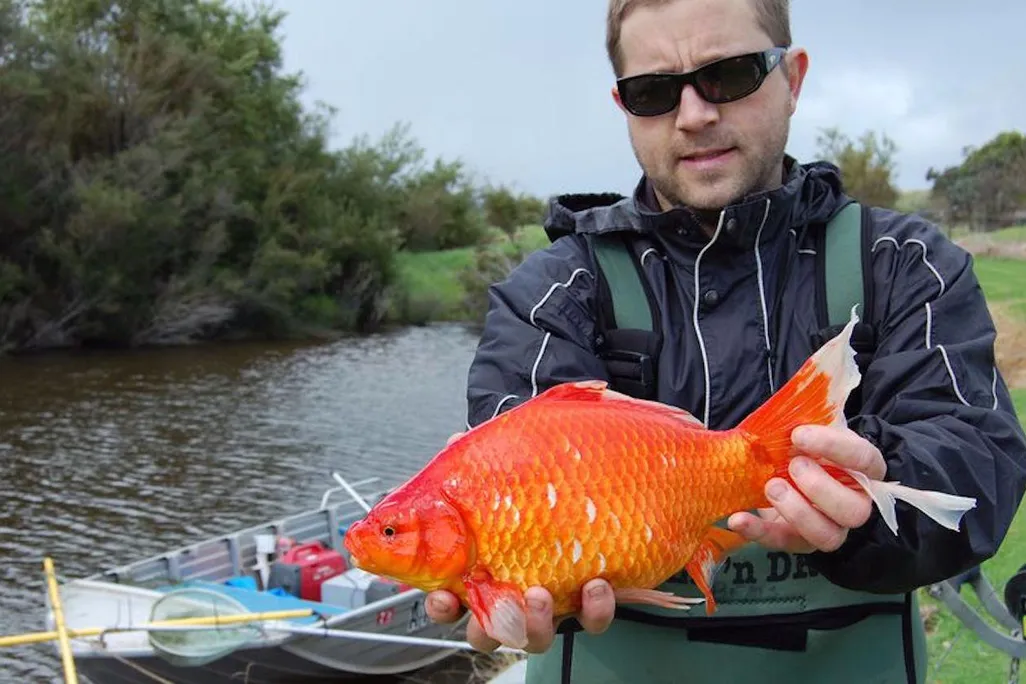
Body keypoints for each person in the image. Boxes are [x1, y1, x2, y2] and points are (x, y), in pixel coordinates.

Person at [425, 0, 1026, 681]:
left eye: (730, 74)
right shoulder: (551, 292)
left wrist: (873, 491)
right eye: (653, 91)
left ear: (793, 79)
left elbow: (979, 465)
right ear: (623, 106)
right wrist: (515, 578)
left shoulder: (904, 262)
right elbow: (514, 458)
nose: (694, 114)